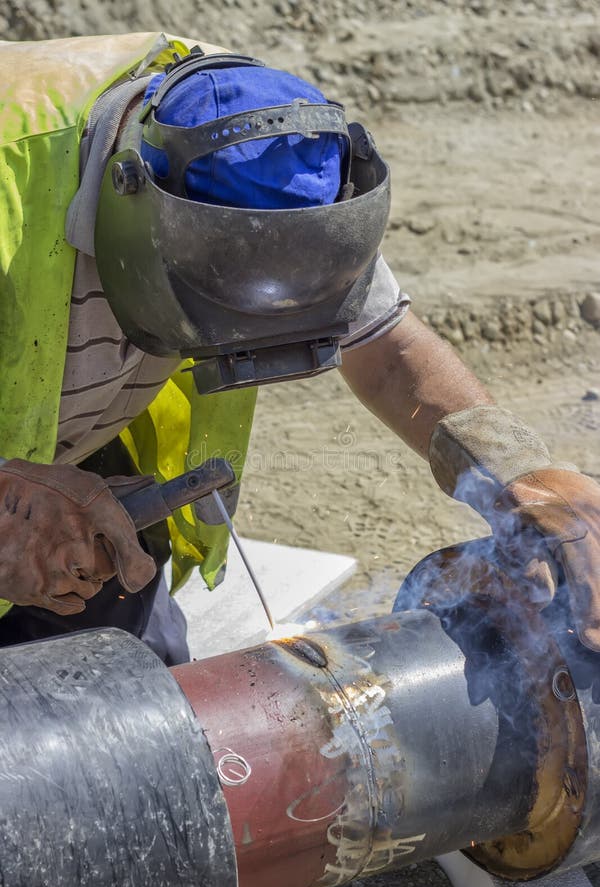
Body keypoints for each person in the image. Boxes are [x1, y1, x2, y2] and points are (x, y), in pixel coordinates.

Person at [1, 32, 599, 666]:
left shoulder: (260, 153)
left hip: (69, 454)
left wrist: (529, 481)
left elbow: (392, 359)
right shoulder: (25, 195)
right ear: (135, 201)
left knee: (147, 706)